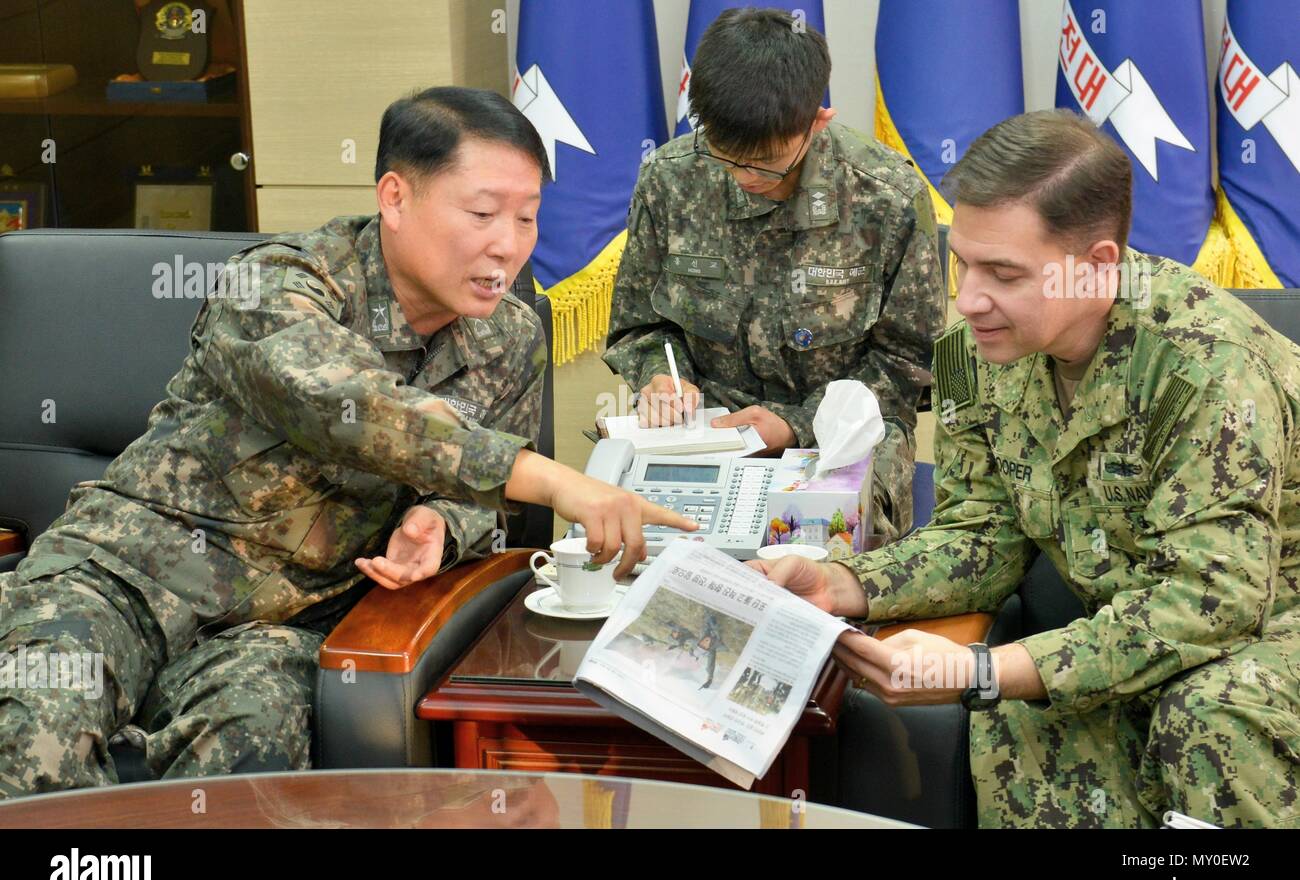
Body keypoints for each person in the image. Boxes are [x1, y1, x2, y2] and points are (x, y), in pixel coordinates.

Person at [0, 86, 691, 797]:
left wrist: (441, 523)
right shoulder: (278, 282)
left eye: (527, 217)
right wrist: (554, 480)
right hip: (126, 572)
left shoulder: (510, 338)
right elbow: (347, 404)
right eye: (483, 214)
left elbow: (486, 506)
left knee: (248, 753)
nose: (508, 245)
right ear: (395, 197)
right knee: (37, 733)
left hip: (286, 618)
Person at [753, 109, 1300, 828]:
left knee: (1204, 718)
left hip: (1265, 633)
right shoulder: (972, 352)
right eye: (963, 263)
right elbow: (983, 531)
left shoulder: (1206, 371)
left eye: (1003, 274)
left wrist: (988, 670)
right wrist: (839, 582)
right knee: (1019, 723)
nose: (967, 299)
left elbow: (1207, 601)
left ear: (1098, 266)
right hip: (1120, 626)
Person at [603, 7, 945, 543]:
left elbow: (911, 364)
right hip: (706, 436)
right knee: (638, 547)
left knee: (819, 563)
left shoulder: (888, 198)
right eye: (726, 157)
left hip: (841, 439)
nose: (744, 178)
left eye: (765, 162)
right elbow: (638, 328)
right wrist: (658, 376)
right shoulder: (669, 180)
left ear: (817, 122)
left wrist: (796, 424)